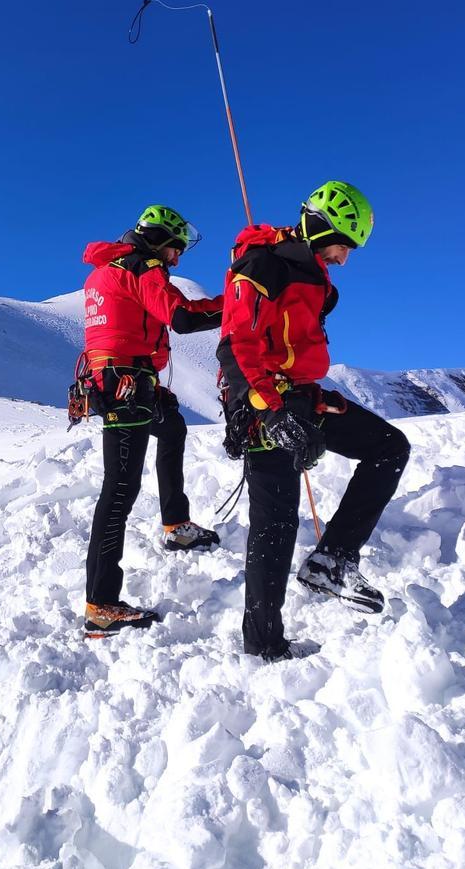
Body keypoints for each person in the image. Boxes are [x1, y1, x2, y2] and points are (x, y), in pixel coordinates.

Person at [217, 180, 410, 662]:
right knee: (276, 524)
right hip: (265, 408)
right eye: (344, 246)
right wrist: (271, 411)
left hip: (303, 401)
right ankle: (264, 645)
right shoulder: (262, 265)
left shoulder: (310, 272)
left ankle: (333, 560)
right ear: (324, 231)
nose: (345, 258)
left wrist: (310, 398)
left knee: (388, 447)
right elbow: (236, 347)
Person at [81, 204, 225, 639]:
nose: (177, 260)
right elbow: (181, 318)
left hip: (116, 378)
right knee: (119, 489)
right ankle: (101, 605)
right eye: (175, 250)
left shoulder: (105, 270)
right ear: (160, 242)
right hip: (127, 383)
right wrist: (236, 306)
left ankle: (176, 525)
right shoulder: (143, 267)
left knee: (173, 427)